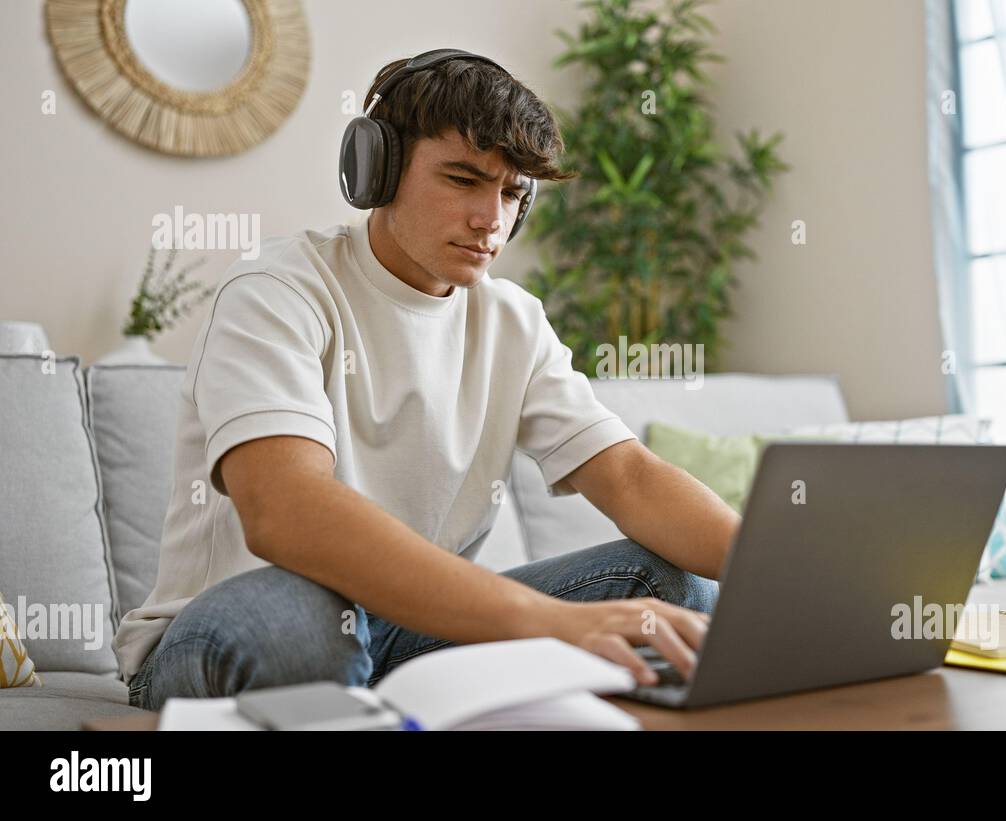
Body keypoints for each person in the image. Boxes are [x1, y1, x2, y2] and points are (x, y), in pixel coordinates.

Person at [113, 49, 741, 712]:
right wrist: (547, 620)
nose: (489, 220)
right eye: (463, 180)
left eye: (511, 194)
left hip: (405, 635)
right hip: (237, 630)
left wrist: (789, 577)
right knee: (308, 623)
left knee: (672, 591)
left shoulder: (512, 322)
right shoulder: (277, 291)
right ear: (375, 170)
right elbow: (284, 509)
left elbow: (629, 478)